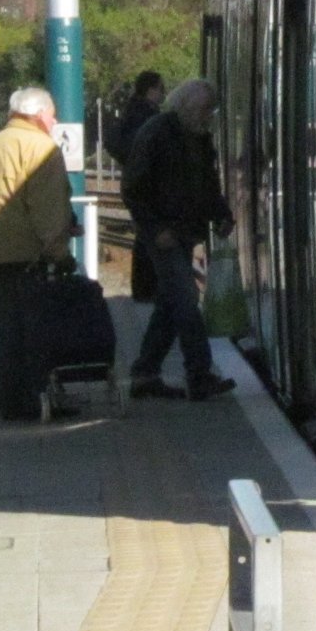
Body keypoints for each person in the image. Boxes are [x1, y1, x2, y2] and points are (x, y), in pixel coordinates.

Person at [121, 77, 236, 400]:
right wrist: (156, 229)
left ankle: (145, 373)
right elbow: (133, 189)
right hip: (163, 235)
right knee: (186, 300)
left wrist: (222, 214)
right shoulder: (156, 132)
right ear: (184, 105)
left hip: (185, 231)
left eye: (210, 110)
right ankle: (199, 374)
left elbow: (208, 183)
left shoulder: (199, 138)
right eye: (202, 109)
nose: (207, 116)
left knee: (171, 304)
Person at [0, 87, 80, 422]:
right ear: (40, 115)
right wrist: (61, 255)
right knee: (34, 334)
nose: (54, 120)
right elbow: (48, 213)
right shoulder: (42, 149)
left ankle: (7, 402)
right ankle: (36, 401)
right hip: (29, 257)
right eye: (52, 114)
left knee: (2, 333)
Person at [107, 70, 166, 302]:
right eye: (161, 89)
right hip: (146, 184)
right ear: (150, 90)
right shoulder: (147, 116)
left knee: (144, 235)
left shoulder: (132, 112)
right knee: (149, 238)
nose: (163, 94)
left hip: (135, 180)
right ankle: (147, 289)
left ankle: (144, 289)